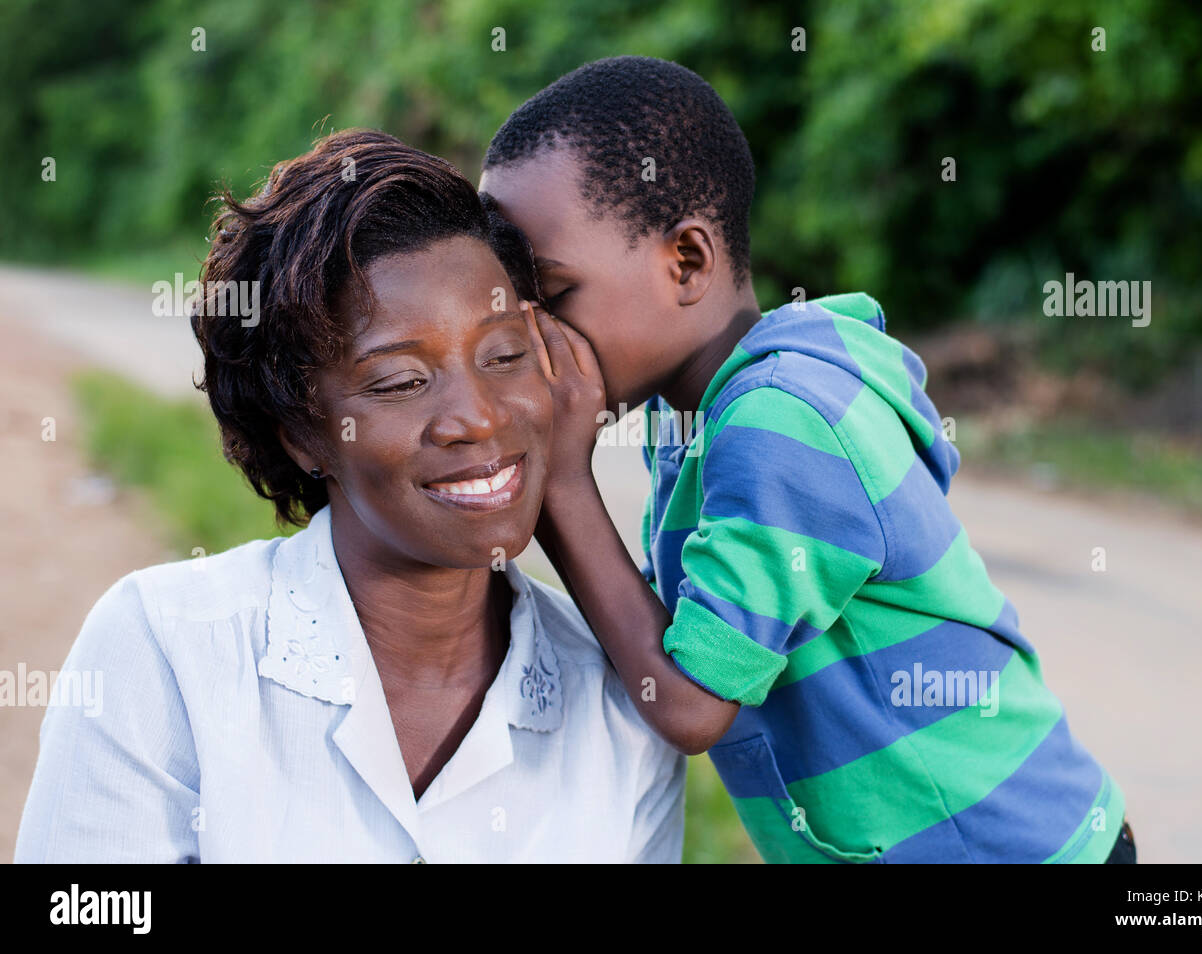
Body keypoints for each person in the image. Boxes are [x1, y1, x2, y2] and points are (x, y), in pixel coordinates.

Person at [481, 56, 1133, 863]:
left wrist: (564, 483)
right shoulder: (689, 415)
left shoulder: (782, 424)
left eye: (552, 294)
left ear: (687, 262)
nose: (532, 337)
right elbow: (681, 628)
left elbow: (689, 702)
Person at [15, 129, 685, 863]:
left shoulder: (620, 705)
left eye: (505, 356)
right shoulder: (164, 651)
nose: (481, 417)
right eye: (401, 382)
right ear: (303, 432)